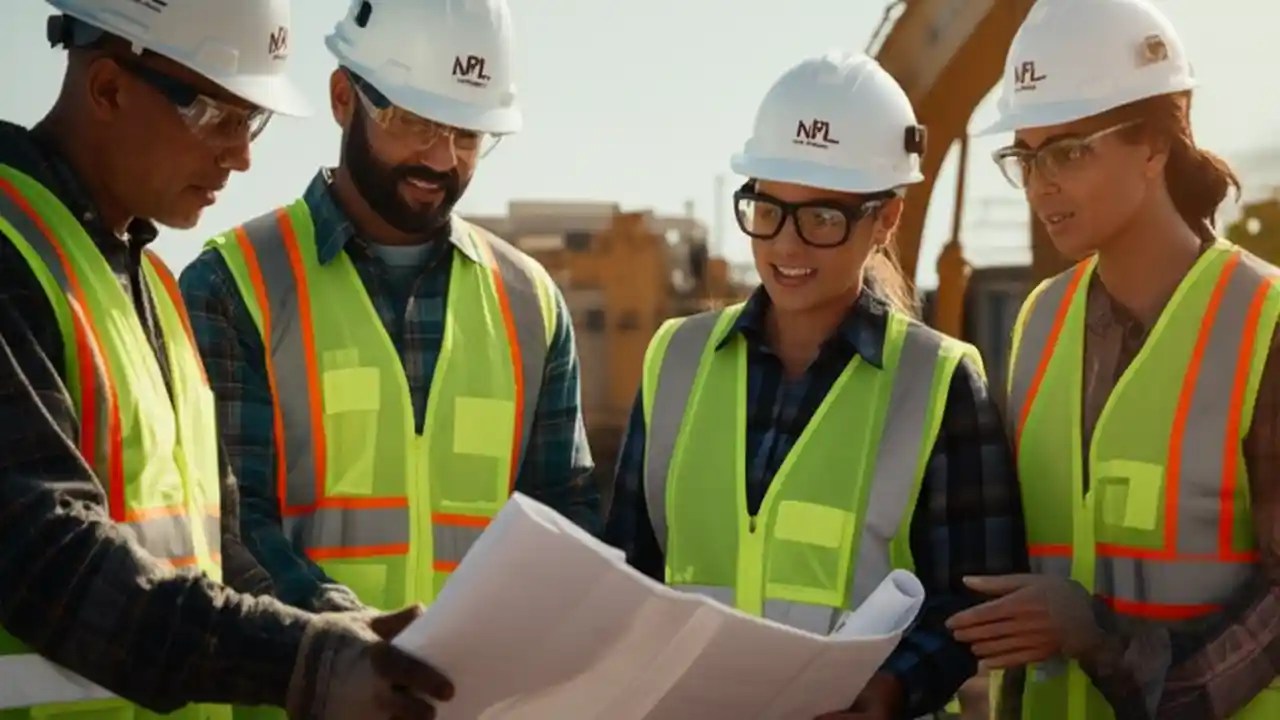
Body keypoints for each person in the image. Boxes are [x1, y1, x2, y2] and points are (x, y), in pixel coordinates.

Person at [0, 1, 457, 718]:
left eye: (254, 121)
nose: (243, 154)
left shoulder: (149, 286)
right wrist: (304, 662)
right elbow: (43, 555)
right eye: (218, 115)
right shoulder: (10, 254)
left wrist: (331, 632)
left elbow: (220, 547)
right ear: (109, 88)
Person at [603, 50, 1028, 720]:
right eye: (767, 208)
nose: (787, 246)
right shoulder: (675, 360)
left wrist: (888, 690)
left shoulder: (938, 381)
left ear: (885, 220)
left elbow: (971, 599)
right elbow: (629, 572)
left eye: (823, 219)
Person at [179, 0, 598, 625]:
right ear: (343, 97)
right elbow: (230, 526)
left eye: (466, 134)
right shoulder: (234, 283)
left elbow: (562, 521)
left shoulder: (530, 304)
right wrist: (356, 645)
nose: (440, 159)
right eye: (415, 121)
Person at [946, 0, 1280, 718]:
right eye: (1026, 156)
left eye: (1068, 152)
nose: (1040, 185)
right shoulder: (1038, 323)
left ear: (1156, 144)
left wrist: (1101, 639)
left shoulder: (1265, 321)